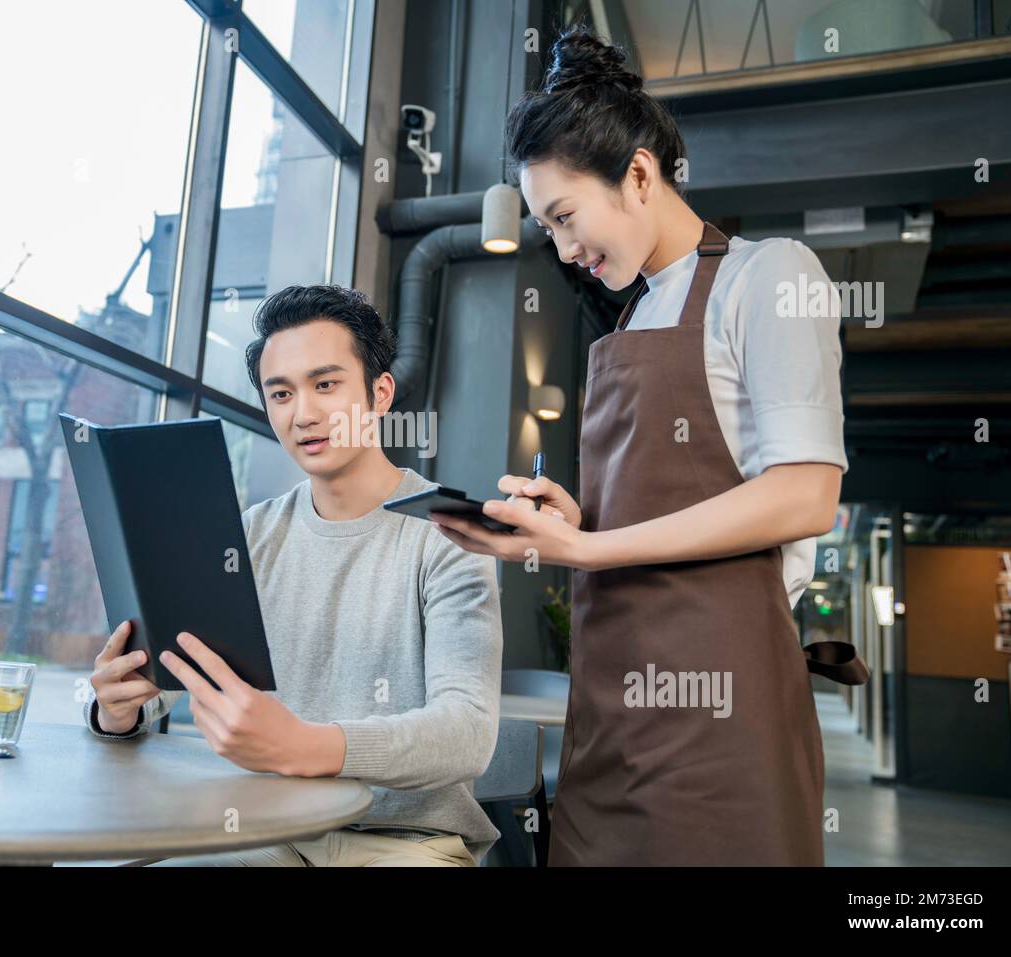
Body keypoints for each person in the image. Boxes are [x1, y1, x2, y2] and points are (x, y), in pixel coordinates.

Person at [429, 25, 866, 866]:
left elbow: (804, 493)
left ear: (638, 173)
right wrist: (567, 522)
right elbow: (667, 501)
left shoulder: (771, 275)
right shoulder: (632, 313)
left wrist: (589, 545)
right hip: (608, 715)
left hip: (723, 718)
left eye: (564, 217)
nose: (562, 250)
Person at [82, 284, 503, 866]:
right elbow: (170, 682)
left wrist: (307, 746)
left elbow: (467, 733)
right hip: (263, 831)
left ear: (380, 394)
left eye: (325, 385)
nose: (302, 413)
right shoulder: (247, 536)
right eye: (281, 393)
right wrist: (117, 711)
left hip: (404, 842)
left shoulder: (449, 534)